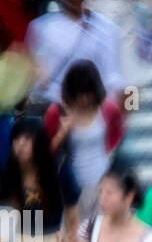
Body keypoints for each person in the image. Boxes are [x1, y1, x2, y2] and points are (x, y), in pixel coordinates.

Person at [25, 0, 123, 107]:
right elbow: (30, 77)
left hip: (90, 110)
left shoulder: (107, 29)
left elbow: (115, 79)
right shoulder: (39, 27)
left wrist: (123, 116)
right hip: (50, 108)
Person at [44, 60, 124, 221]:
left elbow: (117, 133)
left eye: (88, 94)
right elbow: (43, 154)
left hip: (101, 181)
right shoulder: (57, 113)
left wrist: (108, 153)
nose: (84, 100)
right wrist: (62, 133)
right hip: (71, 187)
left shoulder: (108, 109)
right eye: (80, 94)